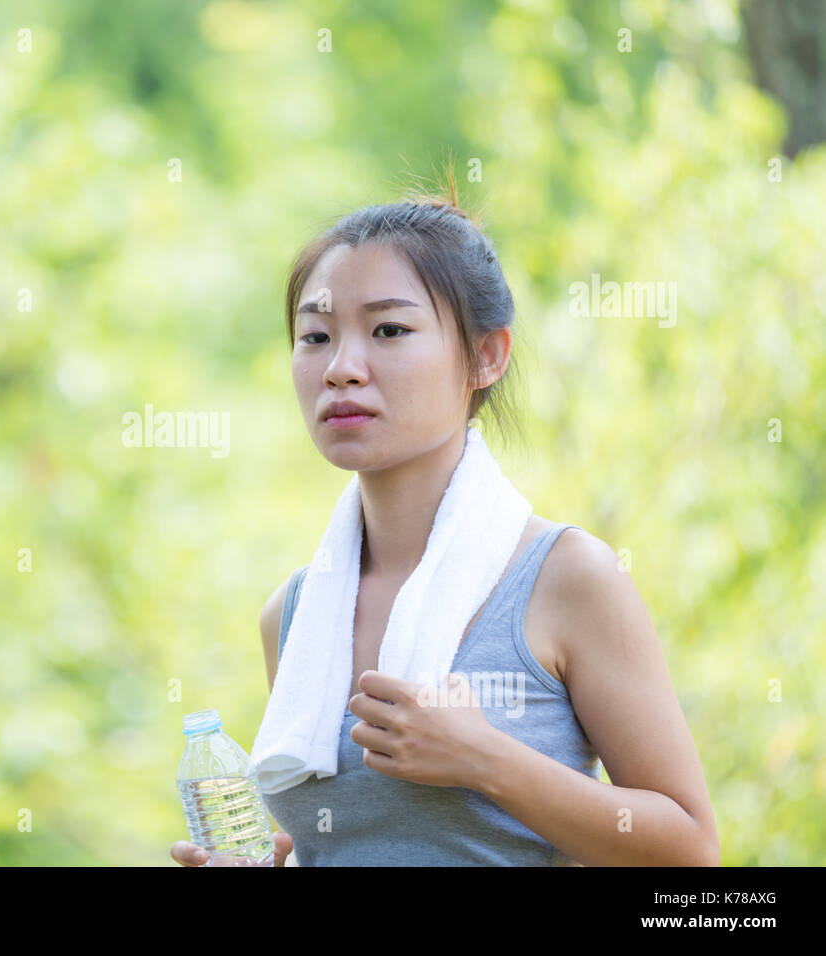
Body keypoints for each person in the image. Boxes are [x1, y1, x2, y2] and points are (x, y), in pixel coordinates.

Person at [173, 181, 719, 866]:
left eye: (389, 331)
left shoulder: (568, 578)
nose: (341, 368)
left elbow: (690, 851)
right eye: (315, 336)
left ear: (486, 356)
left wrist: (484, 759)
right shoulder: (293, 613)